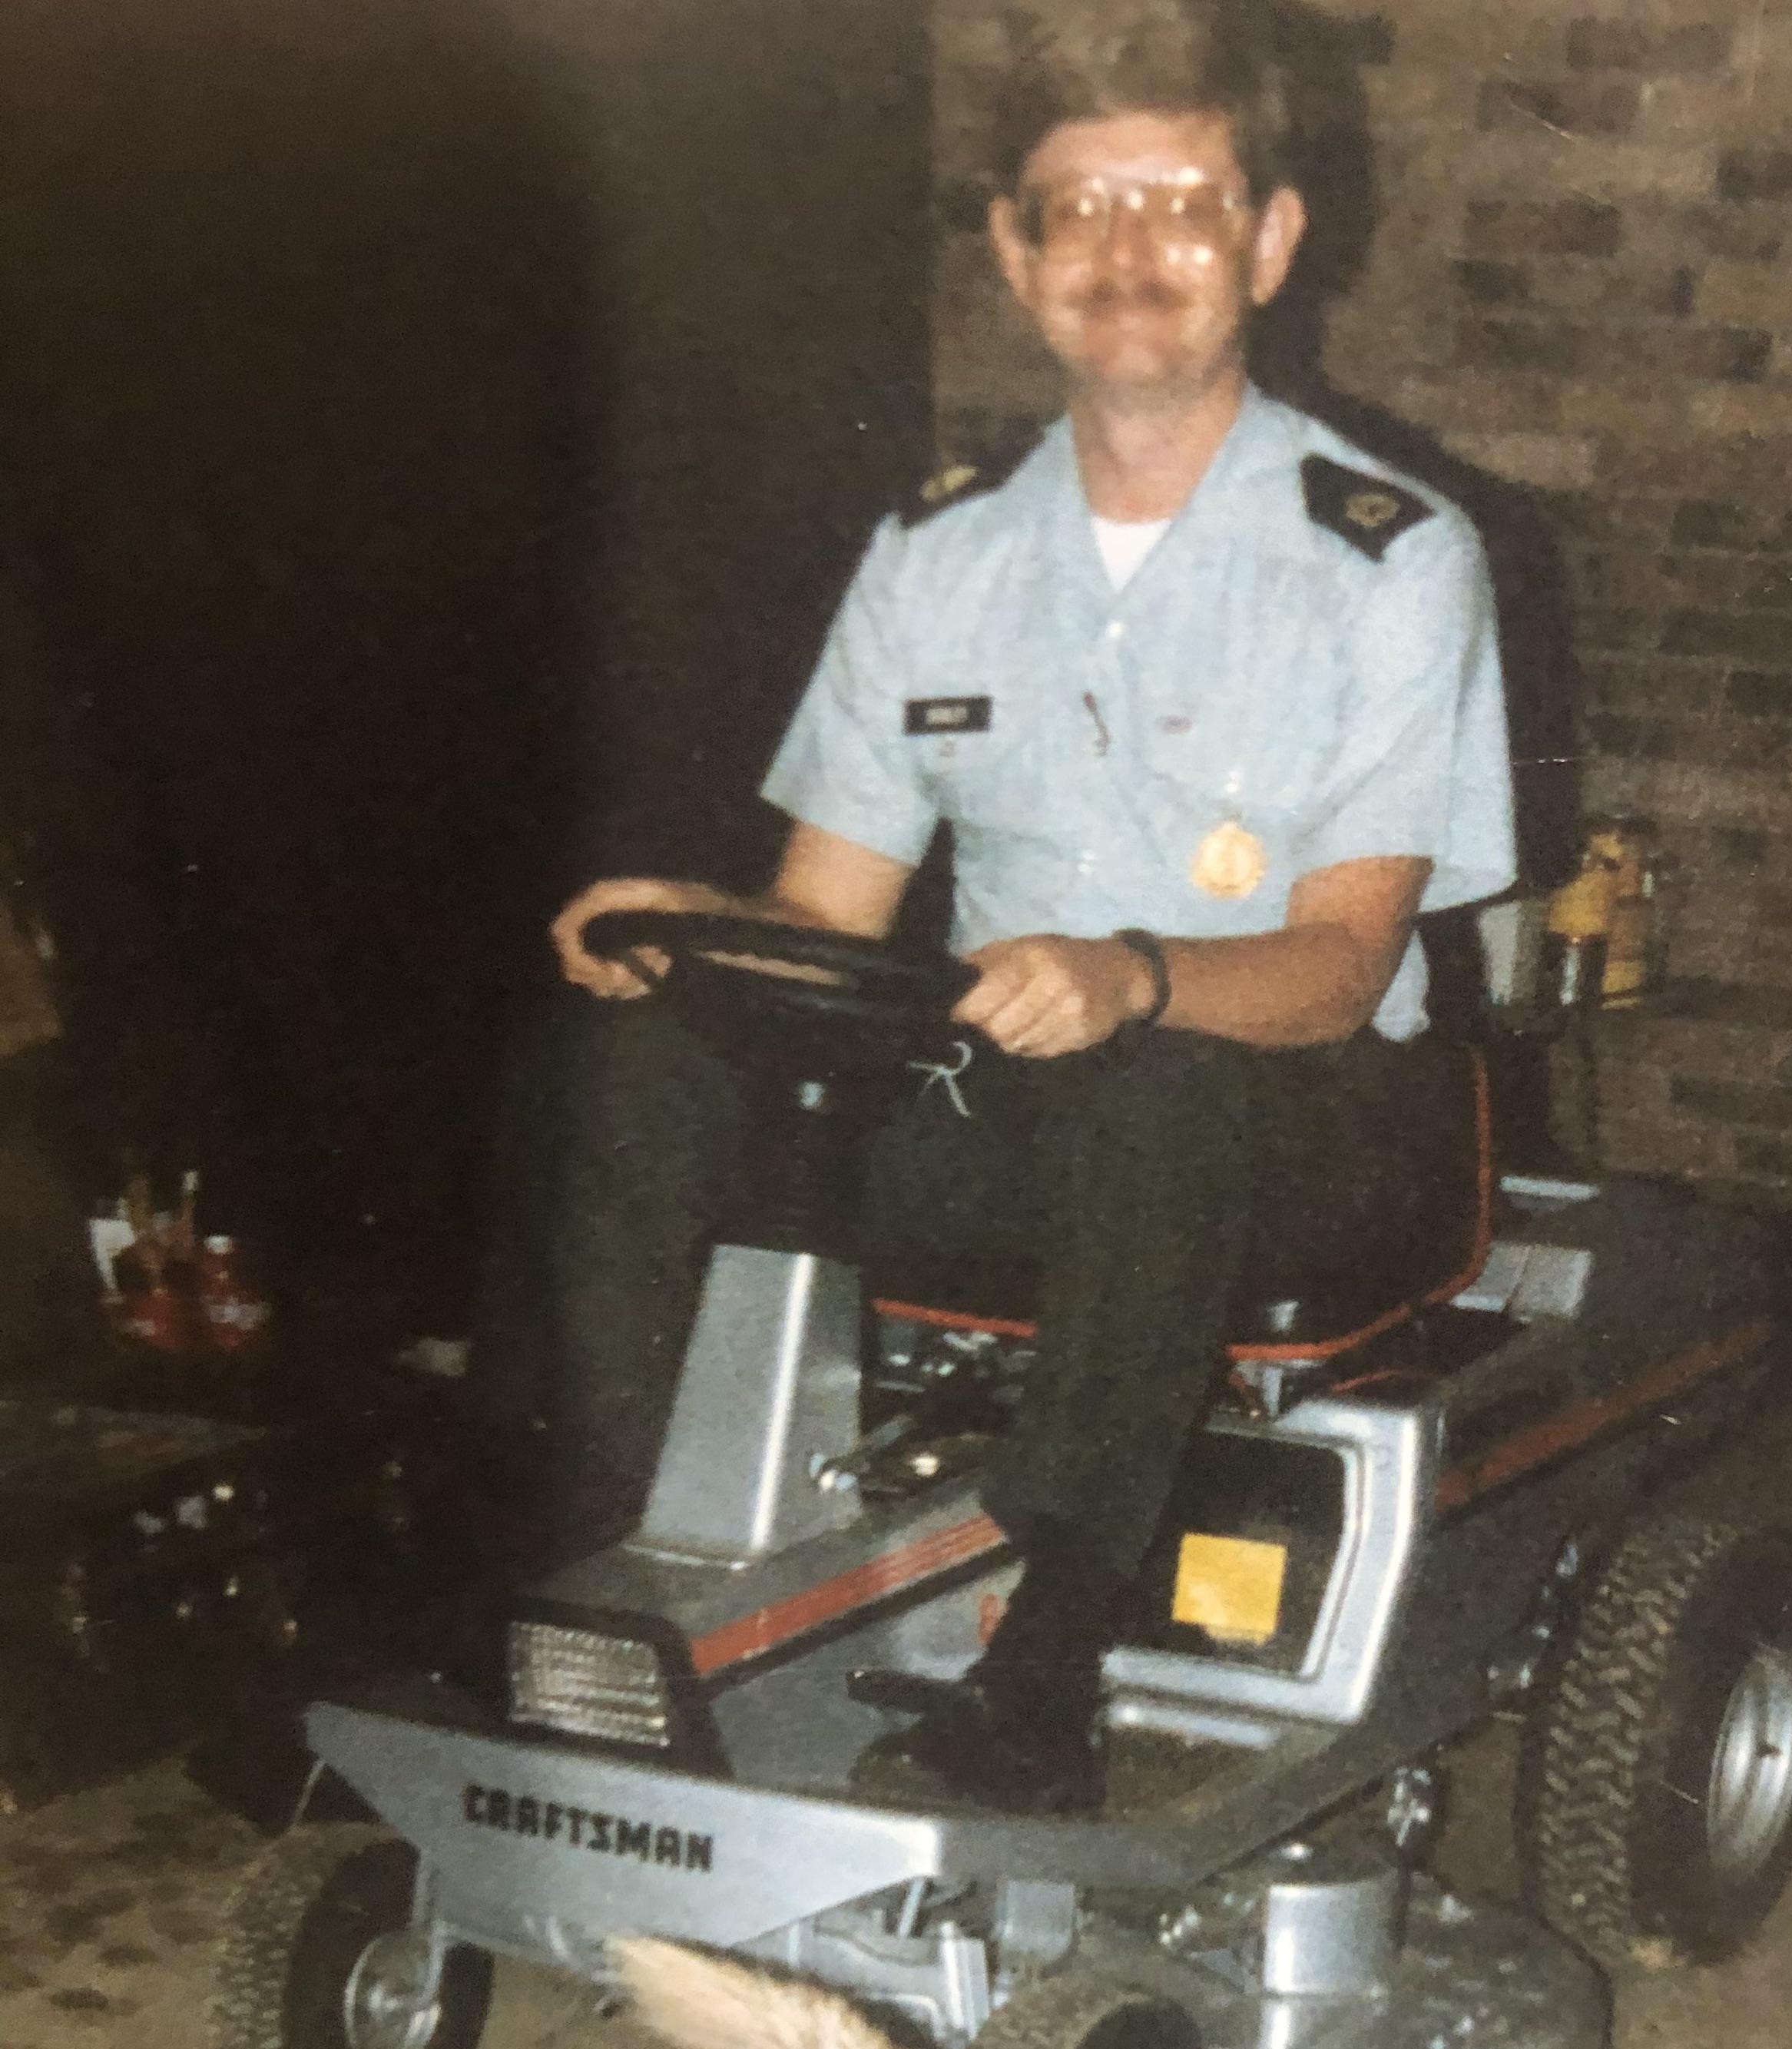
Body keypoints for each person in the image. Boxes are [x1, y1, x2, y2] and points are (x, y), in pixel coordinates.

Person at [496, 0, 1516, 1815]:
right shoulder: (937, 551)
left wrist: (1128, 975)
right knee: (642, 1064)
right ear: (1016, 253)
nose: (1130, 257)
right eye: (1079, 209)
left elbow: (1347, 967)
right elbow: (833, 914)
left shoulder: (1392, 555)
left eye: (1182, 207)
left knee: (1161, 1086)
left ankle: (1049, 1653)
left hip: (1307, 1107)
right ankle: (612, 1567)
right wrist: (698, 922)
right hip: (1004, 1091)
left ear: (1271, 240)